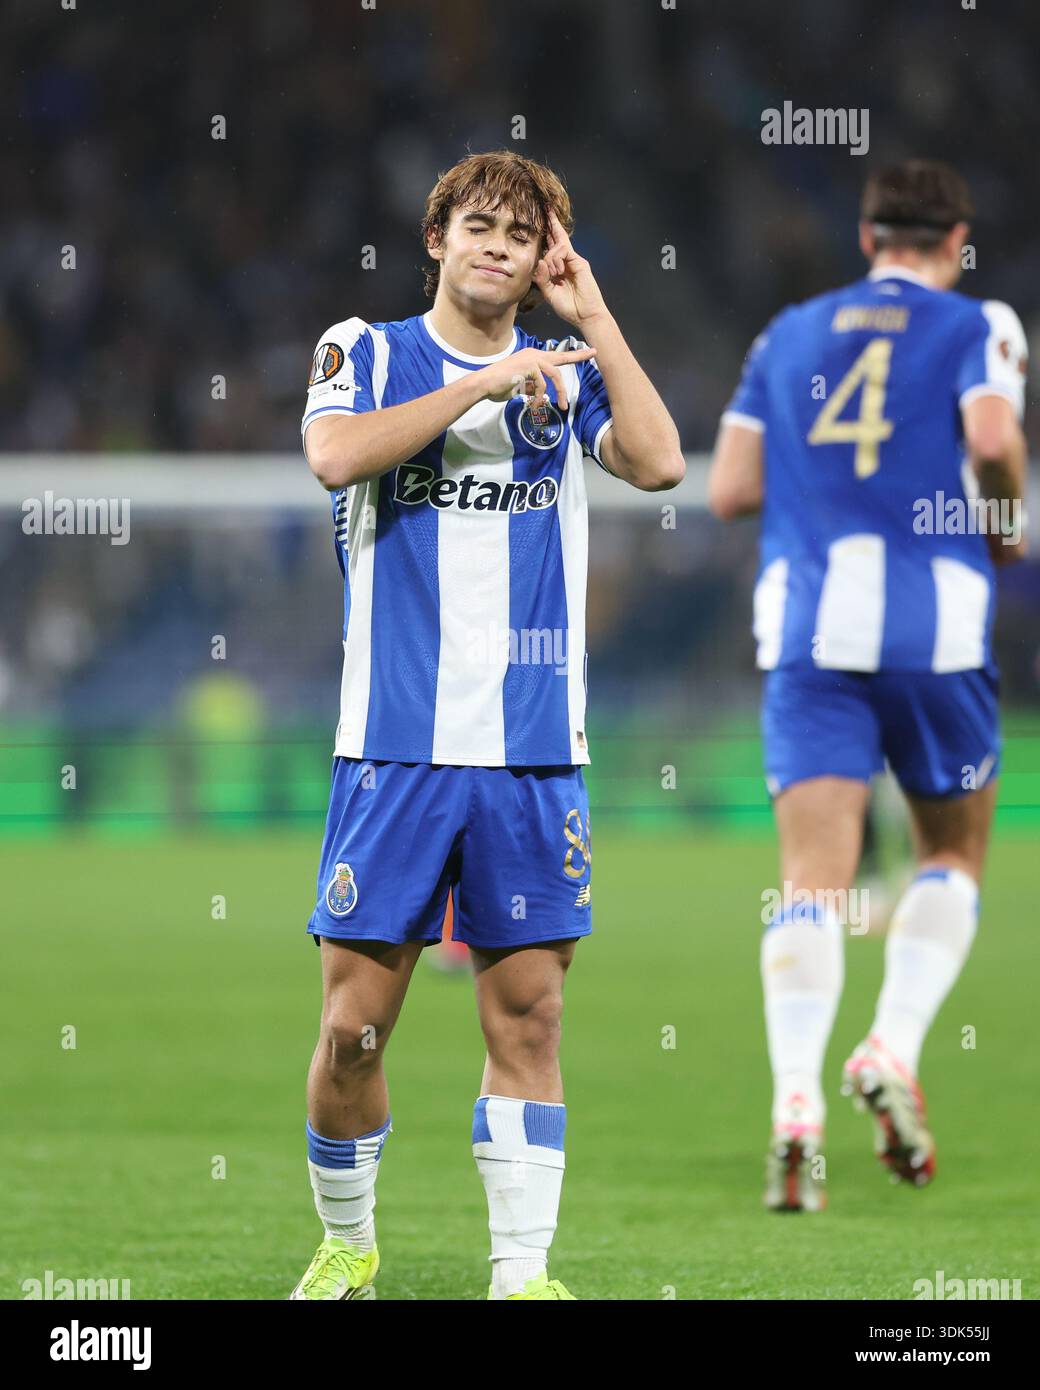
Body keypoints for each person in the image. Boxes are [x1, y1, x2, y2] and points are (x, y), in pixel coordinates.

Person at [292, 150, 684, 1297]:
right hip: (395, 749)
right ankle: (349, 1241)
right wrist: (478, 384)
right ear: (436, 238)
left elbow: (659, 463)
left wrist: (593, 319)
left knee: (531, 1019)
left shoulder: (566, 376)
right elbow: (331, 456)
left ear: (542, 259)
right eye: (478, 225)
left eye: (522, 234)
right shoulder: (363, 350)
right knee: (353, 1033)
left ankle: (521, 1274)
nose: (497, 246)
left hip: (529, 755)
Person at [708, 160, 1028, 1211]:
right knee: (948, 853)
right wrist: (1003, 523)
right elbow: (988, 440)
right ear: (956, 239)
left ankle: (791, 1102)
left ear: (863, 238)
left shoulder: (784, 333)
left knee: (812, 883)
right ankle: (889, 1043)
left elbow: (728, 490)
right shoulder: (976, 322)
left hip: (808, 630)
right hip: (933, 633)